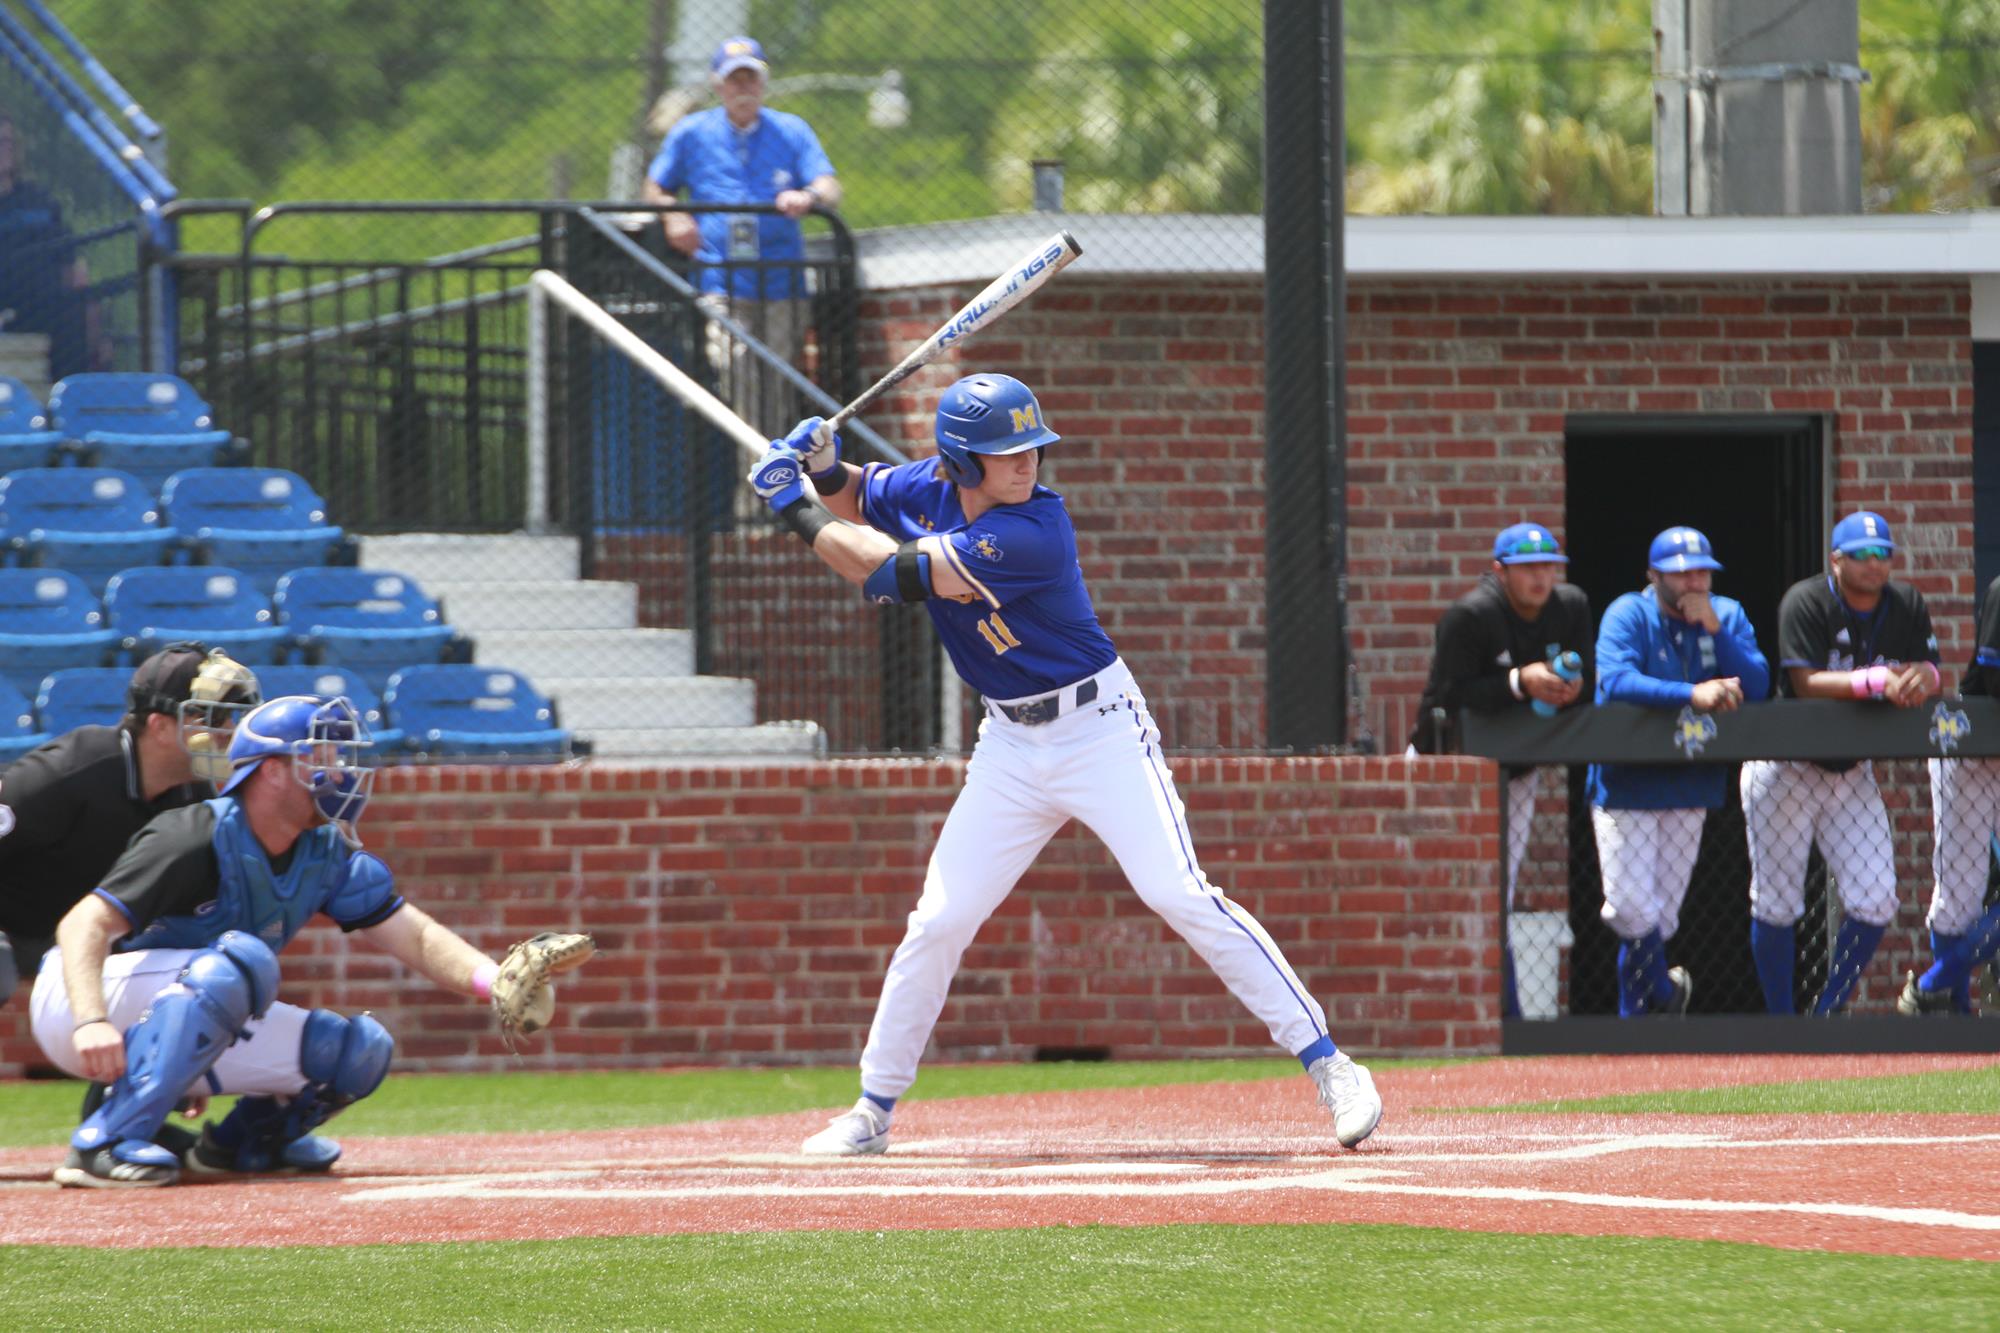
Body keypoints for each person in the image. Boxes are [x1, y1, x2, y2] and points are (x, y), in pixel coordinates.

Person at [746, 373, 1383, 1155]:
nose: (1026, 465)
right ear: (959, 463)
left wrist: (791, 503)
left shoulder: (1033, 529)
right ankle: (872, 1109)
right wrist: (824, 468)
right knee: (939, 918)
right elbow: (862, 498)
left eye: (1031, 450)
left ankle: (1330, 1063)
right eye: (1005, 454)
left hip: (1099, 730)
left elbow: (882, 570)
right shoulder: (931, 482)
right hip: (1009, 744)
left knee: (1177, 891)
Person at [28, 694, 564, 1187]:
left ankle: (243, 1146)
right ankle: (105, 1143)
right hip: (78, 1001)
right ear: (269, 771)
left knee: (357, 1051)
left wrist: (493, 981)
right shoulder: (193, 834)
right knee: (238, 964)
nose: (337, 770)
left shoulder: (325, 852)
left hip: (189, 997)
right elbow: (83, 925)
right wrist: (92, 1020)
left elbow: (415, 936)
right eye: (317, 757)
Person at [1741, 512, 1940, 1016]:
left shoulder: (1907, 603)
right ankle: (1782, 1026)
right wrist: (1877, 681)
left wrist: (1922, 678)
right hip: (1788, 765)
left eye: (1882, 555)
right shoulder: (1805, 600)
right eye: (1862, 555)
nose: (1874, 565)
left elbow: (1930, 666)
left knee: (1876, 899)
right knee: (1777, 903)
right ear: (1837, 559)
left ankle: (1826, 1012)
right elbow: (1806, 682)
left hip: (1851, 772)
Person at [0, 644, 260, 1011]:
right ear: (159, 726)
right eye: (210, 718)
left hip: (89, 939)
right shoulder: (72, 770)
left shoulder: (194, 796)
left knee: (220, 961)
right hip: (12, 930)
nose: (228, 732)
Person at [1407, 521, 1593, 1018]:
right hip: (1442, 770)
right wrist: (1517, 681)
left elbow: (1589, 675)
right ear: (1500, 571)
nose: (1540, 577)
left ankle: (1503, 1018)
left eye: (1548, 566)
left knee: (1497, 894)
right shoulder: (1472, 615)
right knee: (1427, 886)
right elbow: (1449, 696)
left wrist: (1572, 689)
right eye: (1527, 567)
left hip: (1517, 772)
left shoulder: (1570, 606)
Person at [1589, 526, 1768, 1018]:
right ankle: (1665, 996)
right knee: (1630, 908)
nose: (1693, 582)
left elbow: (1758, 682)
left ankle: (1638, 1024)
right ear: (1654, 575)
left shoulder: (1725, 614)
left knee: (1661, 919)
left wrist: (1716, 631)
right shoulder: (1628, 611)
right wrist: (1692, 694)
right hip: (1626, 781)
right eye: (1681, 573)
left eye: (1702, 572)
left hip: (1691, 781)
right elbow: (1616, 679)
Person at [642, 36, 840, 435]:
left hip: (783, 281)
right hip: (722, 278)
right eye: (735, 80)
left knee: (778, 381)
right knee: (737, 371)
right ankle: (766, 463)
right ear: (719, 85)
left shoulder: (791, 131)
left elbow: (829, 186)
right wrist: (674, 217)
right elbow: (655, 187)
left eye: (751, 78)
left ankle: (764, 473)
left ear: (764, 83)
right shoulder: (692, 133)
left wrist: (808, 196)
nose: (743, 87)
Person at [1903, 570, 2000, 1016]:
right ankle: (1955, 1015)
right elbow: (1995, 682)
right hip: (1975, 750)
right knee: (1959, 894)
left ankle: (1931, 987)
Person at [0, 113, 95, 377]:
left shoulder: (38, 200)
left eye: (8, 142)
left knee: (74, 311)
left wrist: (97, 330)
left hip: (44, 308)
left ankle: (66, 400)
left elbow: (71, 265)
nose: (4, 149)